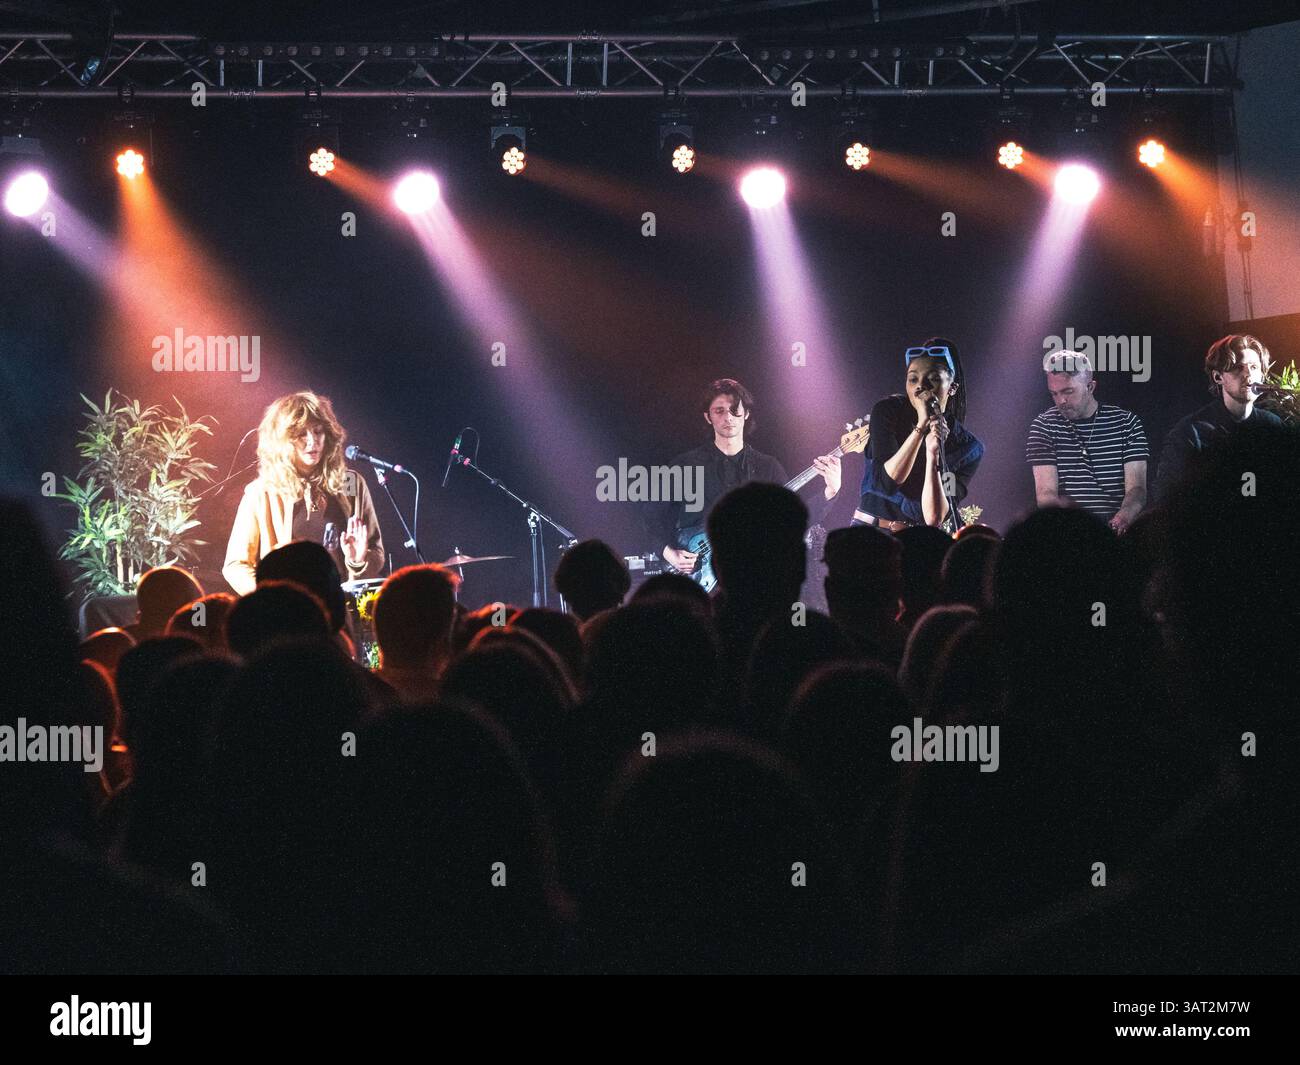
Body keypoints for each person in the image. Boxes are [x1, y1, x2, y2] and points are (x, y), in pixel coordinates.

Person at [658, 378, 840, 580]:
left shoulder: (768, 467)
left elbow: (792, 522)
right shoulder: (684, 465)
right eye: (719, 411)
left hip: (752, 578)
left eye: (735, 409)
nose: (728, 417)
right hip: (699, 578)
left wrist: (829, 492)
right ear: (708, 417)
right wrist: (668, 552)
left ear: (746, 414)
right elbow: (649, 517)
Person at [223, 391, 384, 595]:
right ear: (281, 441)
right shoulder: (261, 493)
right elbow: (236, 565)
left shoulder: (351, 484)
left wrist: (358, 561)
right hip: (287, 616)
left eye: (318, 432)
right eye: (301, 434)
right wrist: (270, 598)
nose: (312, 442)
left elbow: (376, 551)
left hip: (342, 610)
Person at [858, 339, 983, 532]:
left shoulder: (968, 448)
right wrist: (921, 426)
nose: (920, 387)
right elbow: (887, 483)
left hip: (918, 541)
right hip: (869, 533)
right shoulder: (887, 412)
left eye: (932, 379)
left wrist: (933, 454)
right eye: (913, 379)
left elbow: (934, 517)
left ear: (952, 387)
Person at [1026, 351, 1148, 533]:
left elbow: (1137, 489)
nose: (1061, 401)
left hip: (1118, 534)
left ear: (1090, 387)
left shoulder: (1126, 423)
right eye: (1054, 394)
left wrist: (1120, 520)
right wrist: (1070, 530)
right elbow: (1046, 494)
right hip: (1067, 533)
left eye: (1068, 391)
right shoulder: (1044, 426)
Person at [1155, 334, 1285, 499]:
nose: (1248, 374)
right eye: (1238, 367)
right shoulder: (1191, 432)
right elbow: (1166, 493)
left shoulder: (1273, 426)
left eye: (1254, 367)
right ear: (1218, 377)